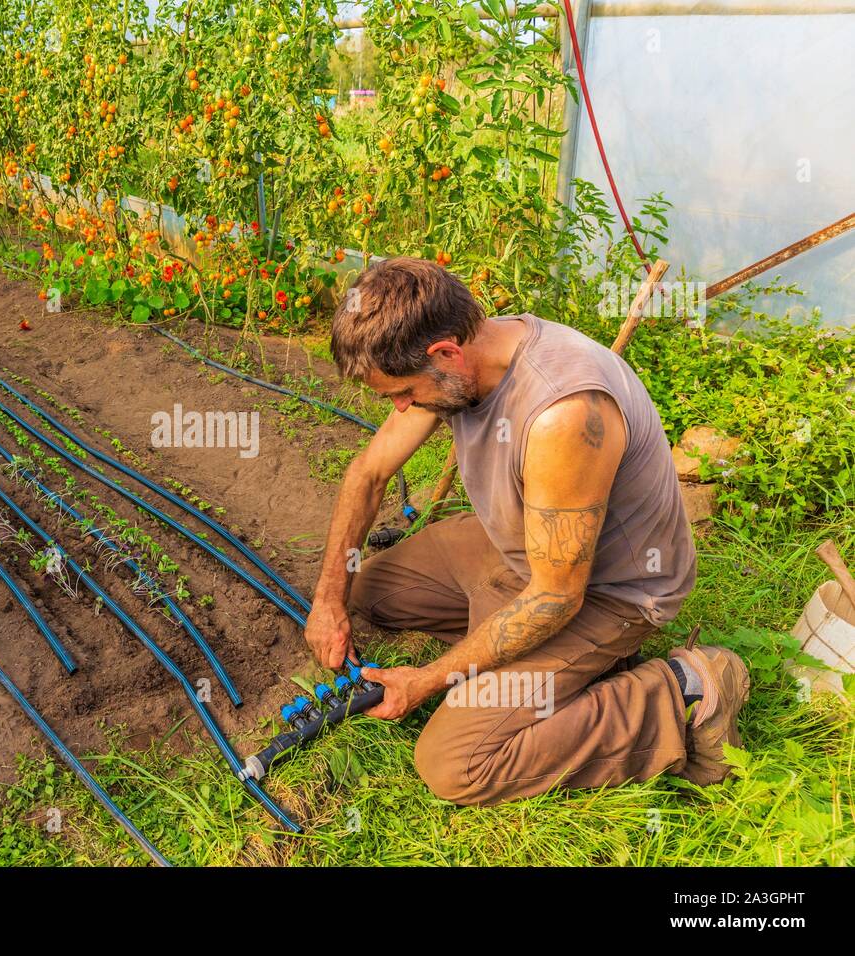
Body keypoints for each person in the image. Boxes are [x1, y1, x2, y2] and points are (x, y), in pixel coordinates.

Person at [304, 256, 749, 805]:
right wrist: (328, 600)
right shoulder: (469, 359)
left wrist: (427, 679)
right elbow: (368, 474)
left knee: (455, 763)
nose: (399, 407)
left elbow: (557, 595)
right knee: (371, 590)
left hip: (608, 591)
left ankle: (682, 691)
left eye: (403, 392)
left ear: (446, 353)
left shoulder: (563, 411)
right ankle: (550, 665)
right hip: (519, 546)